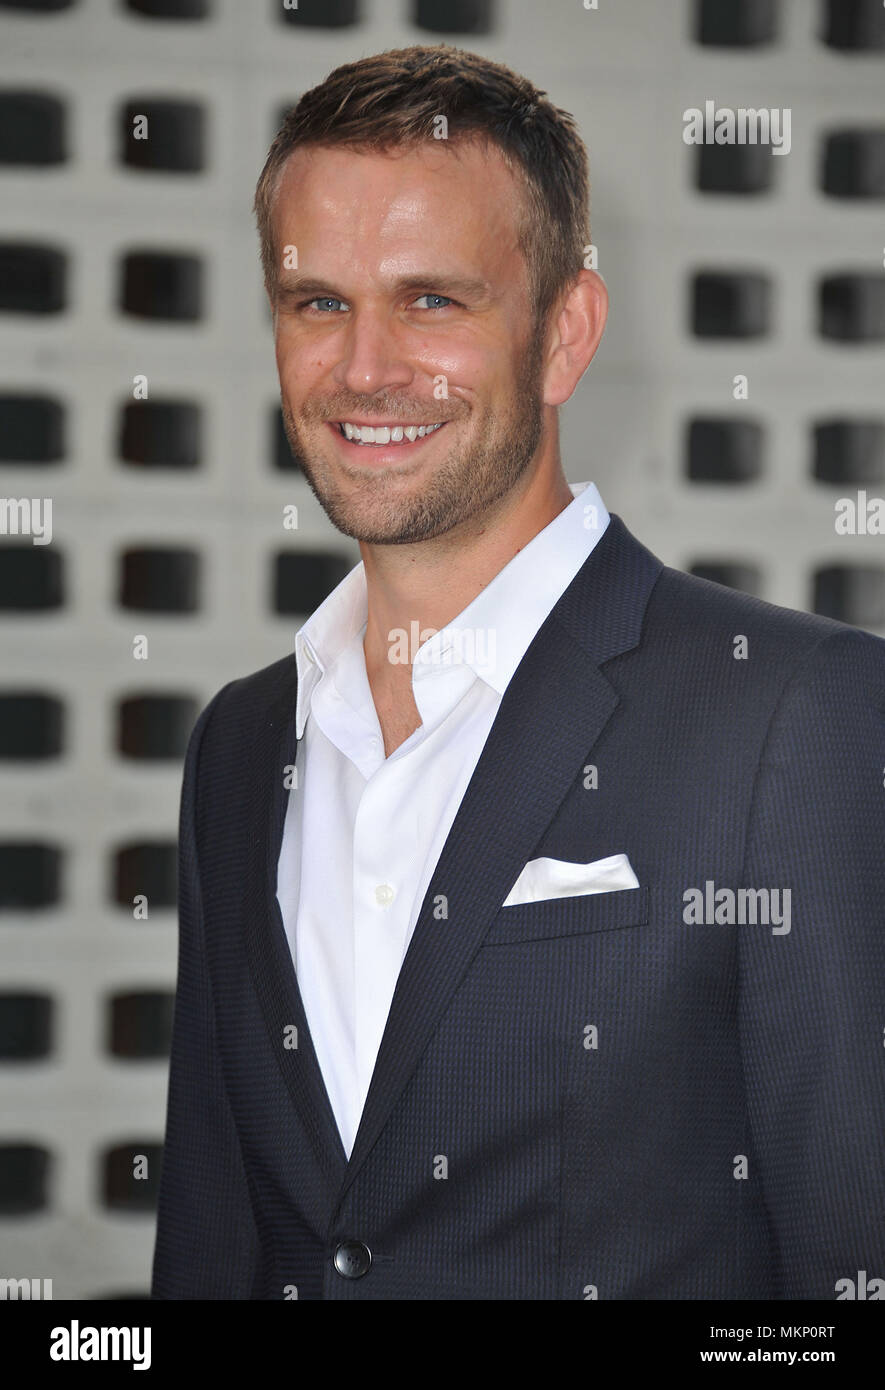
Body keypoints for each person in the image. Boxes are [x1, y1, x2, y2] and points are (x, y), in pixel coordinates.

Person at [151, 44, 885, 1300]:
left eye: (433, 300)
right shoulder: (238, 744)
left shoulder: (793, 716)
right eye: (318, 301)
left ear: (565, 334)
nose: (365, 367)